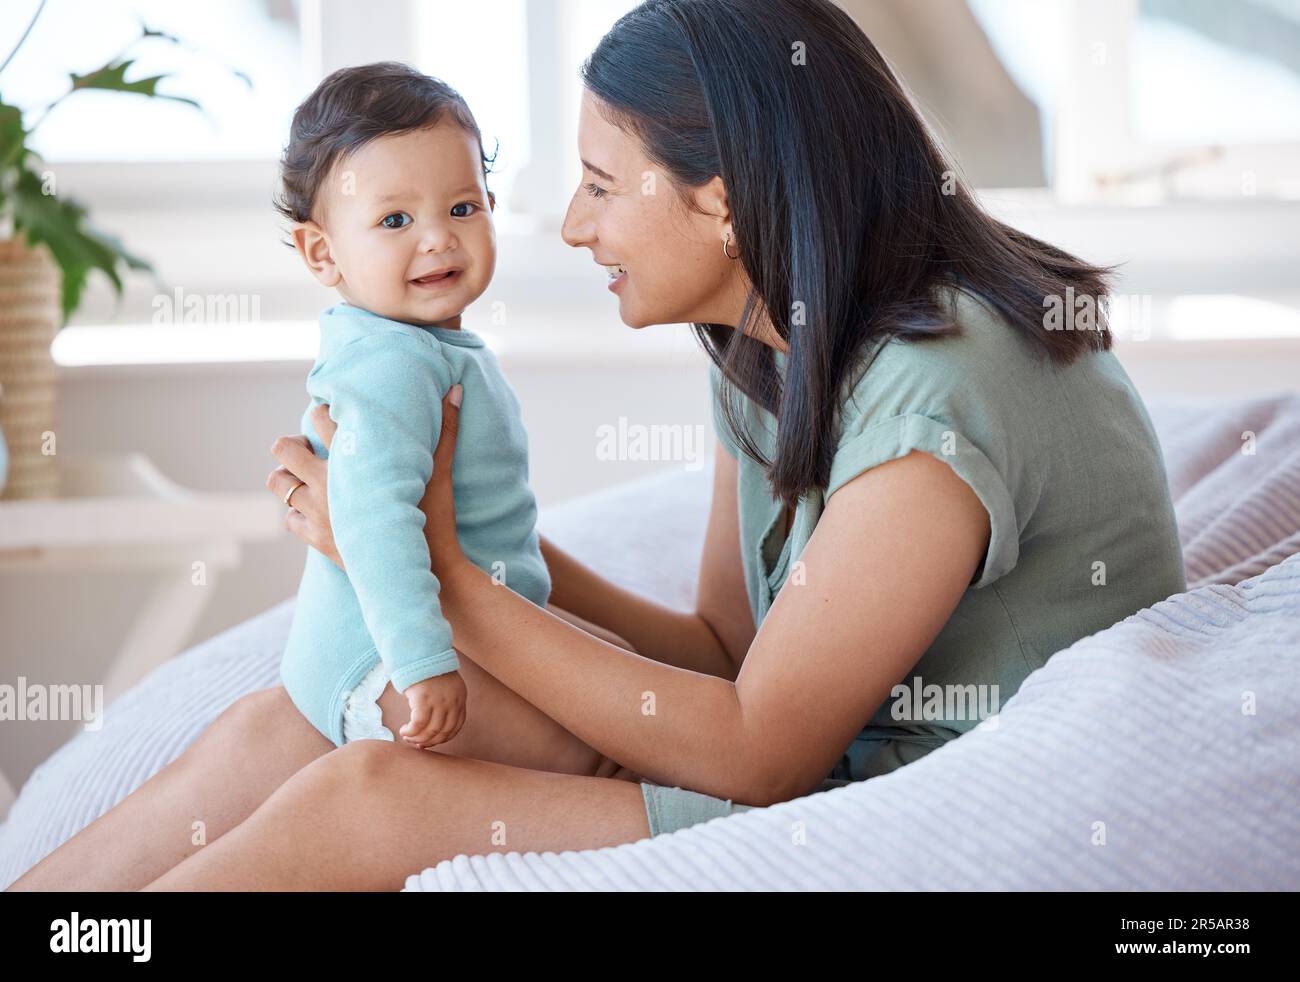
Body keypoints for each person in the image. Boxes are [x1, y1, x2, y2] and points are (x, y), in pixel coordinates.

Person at [8, 0, 1184, 892]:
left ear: (720, 198)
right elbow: (728, 649)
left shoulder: (938, 398)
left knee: (368, 791)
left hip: (889, 791)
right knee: (292, 715)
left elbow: (760, 751)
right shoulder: (772, 340)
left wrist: (444, 582)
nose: (570, 227)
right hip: (781, 736)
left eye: (598, 185)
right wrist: (456, 539)